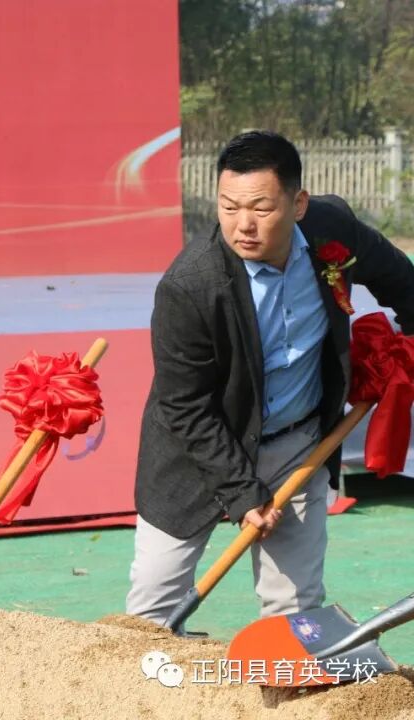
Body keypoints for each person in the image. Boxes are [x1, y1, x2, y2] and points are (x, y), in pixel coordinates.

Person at [128, 131, 414, 624]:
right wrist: (241, 493)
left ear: (298, 204)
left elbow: (401, 281)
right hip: (197, 453)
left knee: (295, 610)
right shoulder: (190, 286)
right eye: (229, 207)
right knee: (152, 612)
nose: (243, 225)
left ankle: (286, 671)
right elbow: (185, 407)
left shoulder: (330, 230)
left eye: (261, 208)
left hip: (297, 443)